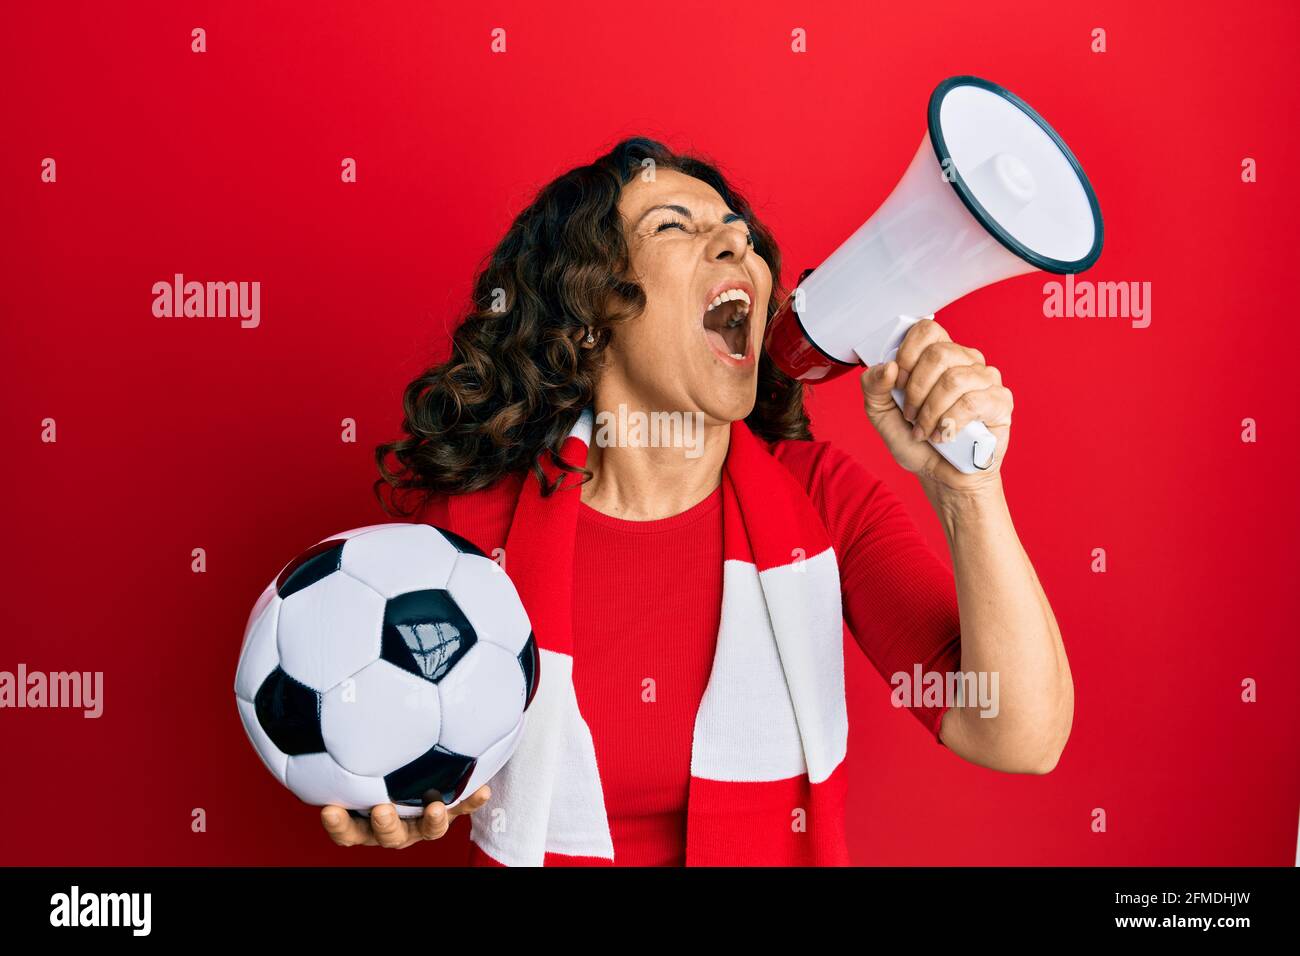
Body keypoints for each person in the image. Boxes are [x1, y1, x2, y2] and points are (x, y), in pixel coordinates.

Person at [319, 137, 1074, 863]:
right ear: (586, 321)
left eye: (739, 237)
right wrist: (383, 781)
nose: (732, 245)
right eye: (674, 226)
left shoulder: (819, 499)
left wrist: (965, 489)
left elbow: (1018, 736)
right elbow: (379, 711)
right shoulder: (472, 534)